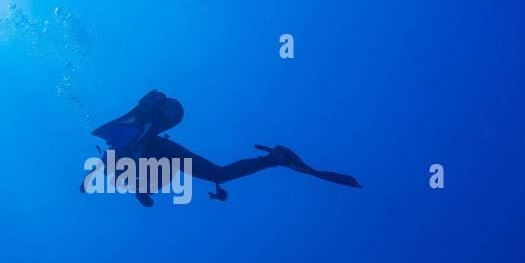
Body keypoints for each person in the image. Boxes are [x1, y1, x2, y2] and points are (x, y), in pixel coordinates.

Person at [85, 90, 360, 205]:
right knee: (217, 174)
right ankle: (274, 158)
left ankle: (274, 159)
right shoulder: (134, 175)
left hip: (157, 151)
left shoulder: (123, 167)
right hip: (159, 153)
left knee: (214, 175)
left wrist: (89, 181)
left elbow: (129, 184)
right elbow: (140, 193)